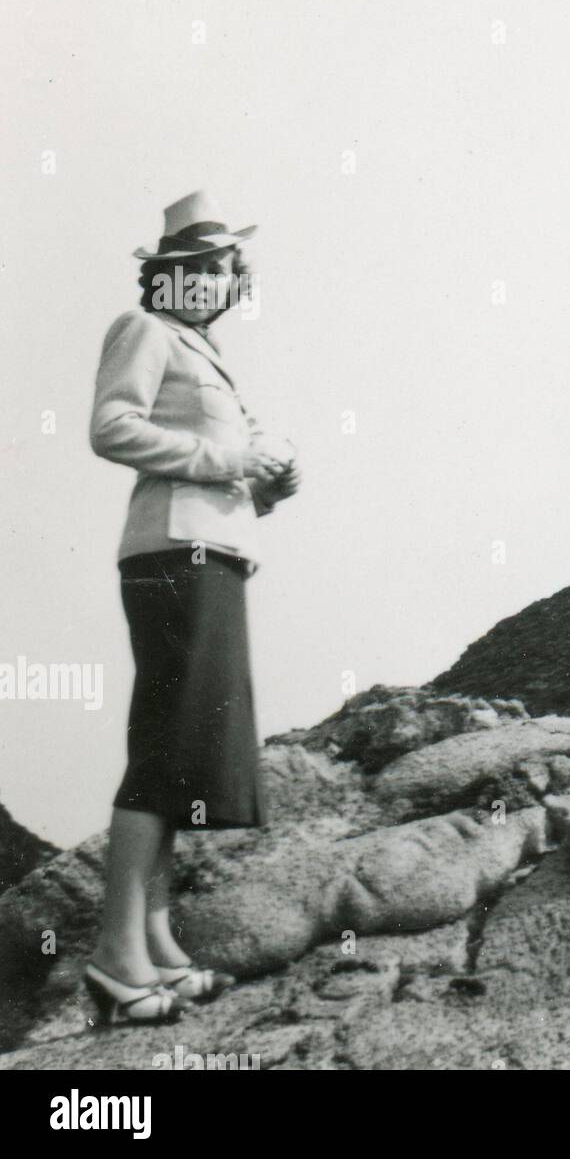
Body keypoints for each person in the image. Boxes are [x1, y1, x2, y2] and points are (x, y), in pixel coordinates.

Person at [83, 191, 300, 1027]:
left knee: (180, 751)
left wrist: (267, 485)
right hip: (173, 552)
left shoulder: (204, 351)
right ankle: (114, 957)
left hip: (211, 552)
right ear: (167, 275)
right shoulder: (143, 331)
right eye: (201, 268)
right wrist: (227, 456)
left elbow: (221, 473)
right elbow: (111, 427)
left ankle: (157, 944)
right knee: (167, 742)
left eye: (225, 269)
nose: (218, 280)